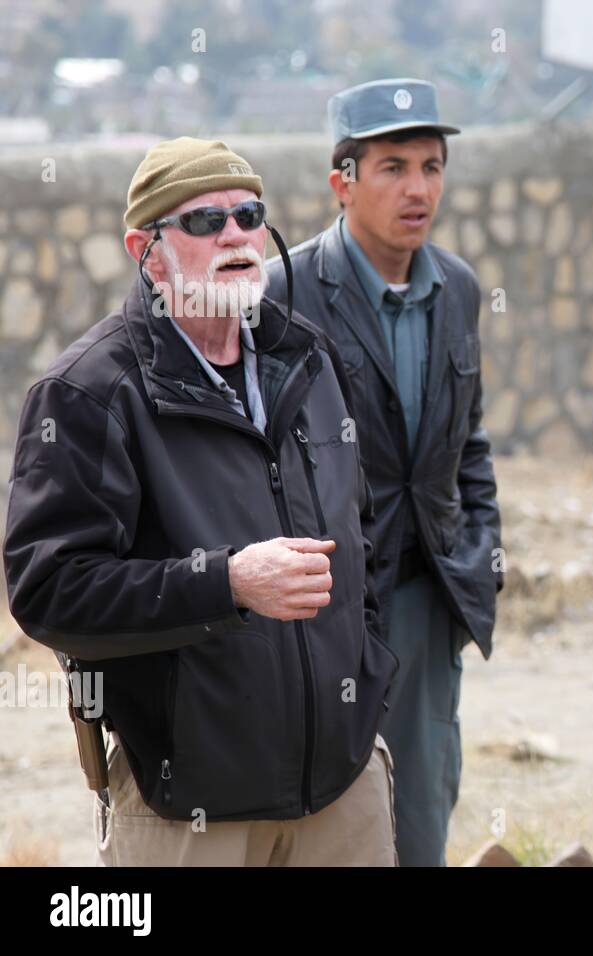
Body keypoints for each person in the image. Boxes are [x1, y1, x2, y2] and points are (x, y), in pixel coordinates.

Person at [3, 137, 399, 866]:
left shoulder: (310, 361)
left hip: (345, 793)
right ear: (146, 252)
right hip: (189, 808)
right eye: (202, 222)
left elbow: (363, 538)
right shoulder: (87, 393)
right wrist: (227, 583)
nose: (235, 236)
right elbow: (50, 593)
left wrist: (366, 683)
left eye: (248, 214)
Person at [265, 78, 502, 866]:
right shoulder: (285, 295)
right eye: (394, 166)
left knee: (422, 809)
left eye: (432, 167)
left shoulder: (458, 288)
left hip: (429, 592)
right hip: (327, 600)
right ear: (343, 181)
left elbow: (469, 444)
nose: (418, 188)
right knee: (331, 808)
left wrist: (479, 559)